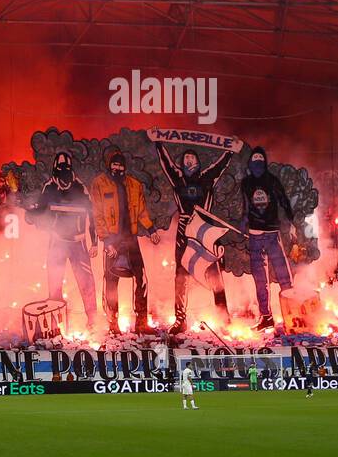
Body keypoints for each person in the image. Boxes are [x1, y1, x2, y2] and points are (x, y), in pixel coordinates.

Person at [155, 139, 237, 334]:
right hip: (184, 227)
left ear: (198, 162)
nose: (189, 160)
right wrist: (158, 143)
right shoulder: (178, 178)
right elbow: (166, 164)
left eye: (192, 157)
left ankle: (224, 319)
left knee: (214, 273)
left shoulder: (205, 178)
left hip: (204, 228)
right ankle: (180, 320)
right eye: (186, 158)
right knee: (181, 276)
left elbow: (219, 167)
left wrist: (231, 152)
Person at [90, 147, 160, 335]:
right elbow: (97, 215)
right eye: (114, 164)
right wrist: (106, 240)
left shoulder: (134, 185)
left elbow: (142, 211)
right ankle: (113, 324)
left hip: (131, 239)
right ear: (109, 165)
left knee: (142, 278)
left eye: (121, 165)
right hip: (112, 240)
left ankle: (142, 323)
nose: (118, 168)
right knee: (111, 281)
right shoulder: (99, 184)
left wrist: (151, 228)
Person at [28, 152, 99, 332]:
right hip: (57, 241)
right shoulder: (49, 187)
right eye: (60, 171)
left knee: (86, 282)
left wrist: (95, 242)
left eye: (66, 170)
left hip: (78, 242)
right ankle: (54, 323)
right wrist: (30, 215)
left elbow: (93, 216)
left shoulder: (80, 188)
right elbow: (40, 211)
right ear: (55, 171)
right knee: (54, 281)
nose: (63, 175)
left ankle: (93, 320)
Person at [239, 146, 296, 331]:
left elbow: (282, 199)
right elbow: (246, 204)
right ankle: (266, 318)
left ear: (264, 161)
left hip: (271, 233)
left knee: (283, 276)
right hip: (254, 236)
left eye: (259, 158)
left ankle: (292, 315)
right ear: (250, 162)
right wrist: (244, 219)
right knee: (259, 279)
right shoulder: (246, 182)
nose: (257, 161)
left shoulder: (272, 180)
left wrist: (291, 220)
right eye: (253, 158)